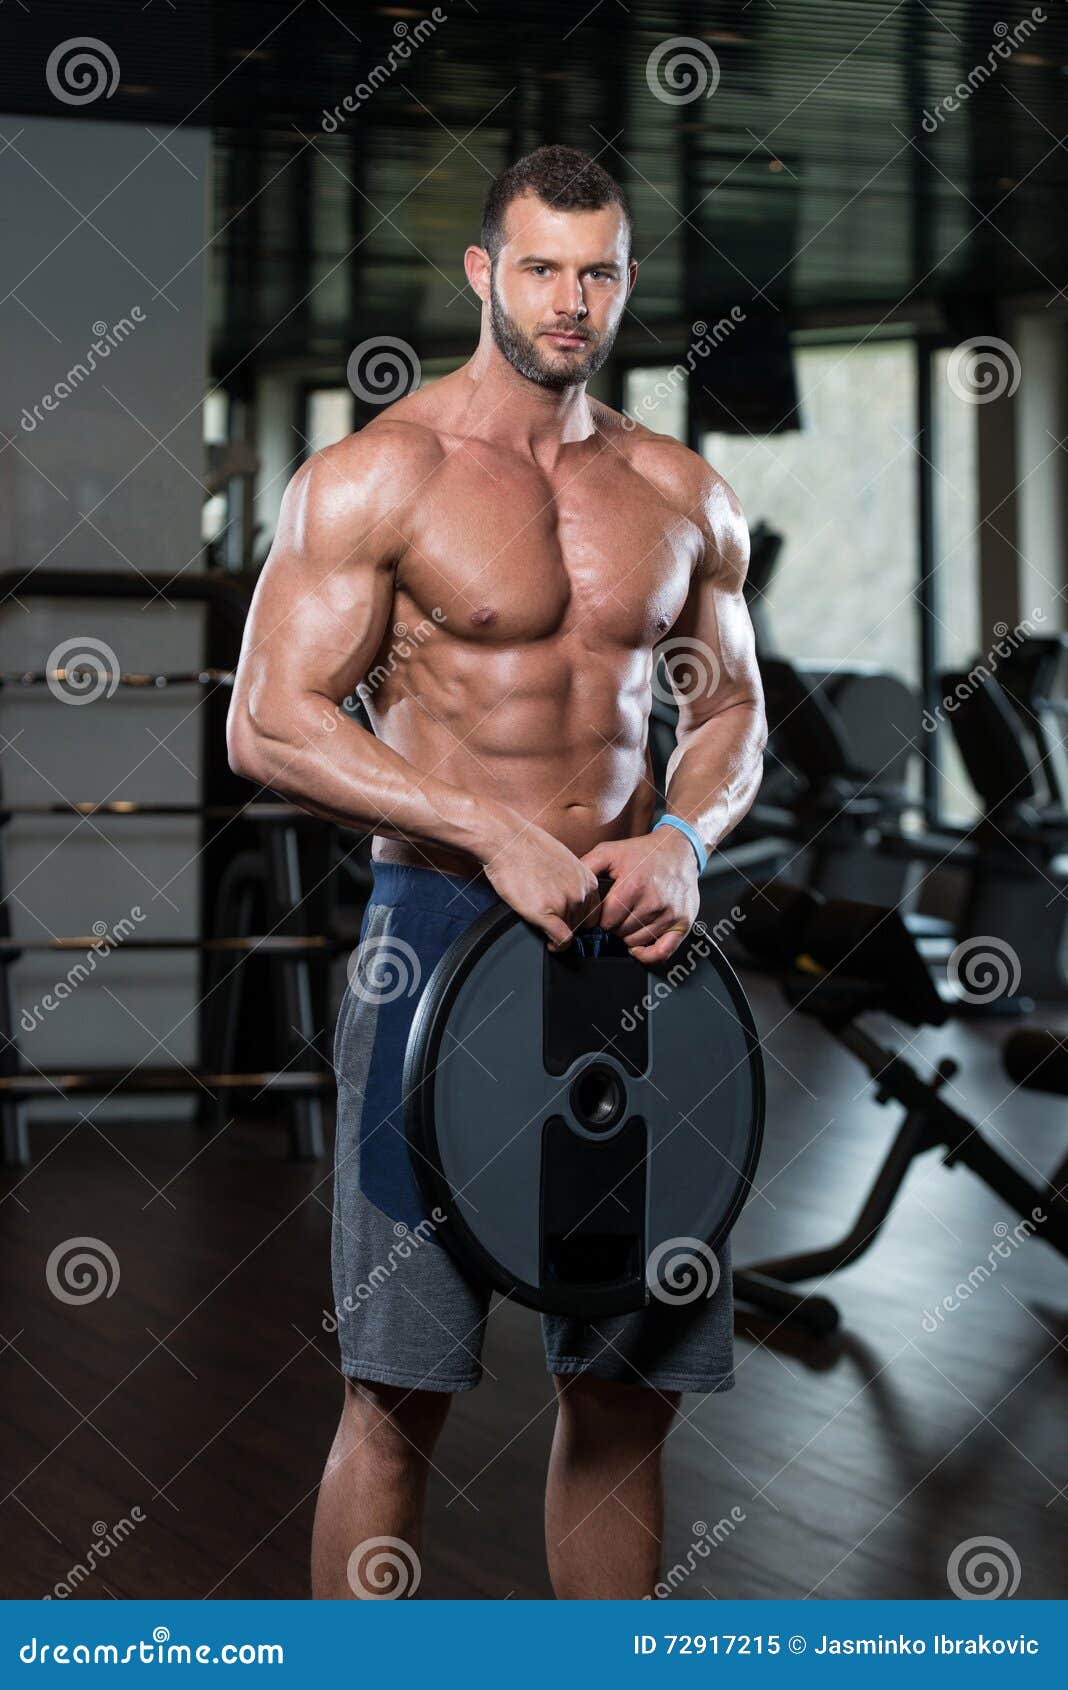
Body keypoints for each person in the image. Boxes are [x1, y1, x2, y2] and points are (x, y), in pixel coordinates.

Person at [227, 144, 766, 1600]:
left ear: (628, 280)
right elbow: (268, 720)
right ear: (483, 273)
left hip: (628, 951)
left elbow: (729, 714)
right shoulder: (377, 476)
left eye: (598, 270)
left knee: (624, 1385)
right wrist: (485, 828)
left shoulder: (678, 490)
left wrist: (683, 838)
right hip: (436, 946)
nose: (570, 298)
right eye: (541, 266)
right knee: (397, 1386)